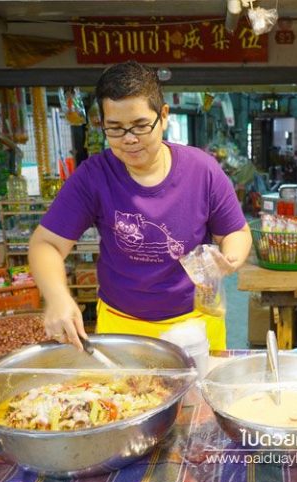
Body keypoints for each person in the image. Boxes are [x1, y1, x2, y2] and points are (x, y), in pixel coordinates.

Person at [29, 61, 252, 351]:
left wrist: (229, 260)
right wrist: (58, 297)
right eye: (115, 129)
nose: (129, 139)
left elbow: (237, 232)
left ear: (164, 116)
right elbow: (45, 244)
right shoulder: (94, 175)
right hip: (122, 325)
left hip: (195, 321)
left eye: (140, 126)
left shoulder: (202, 170)